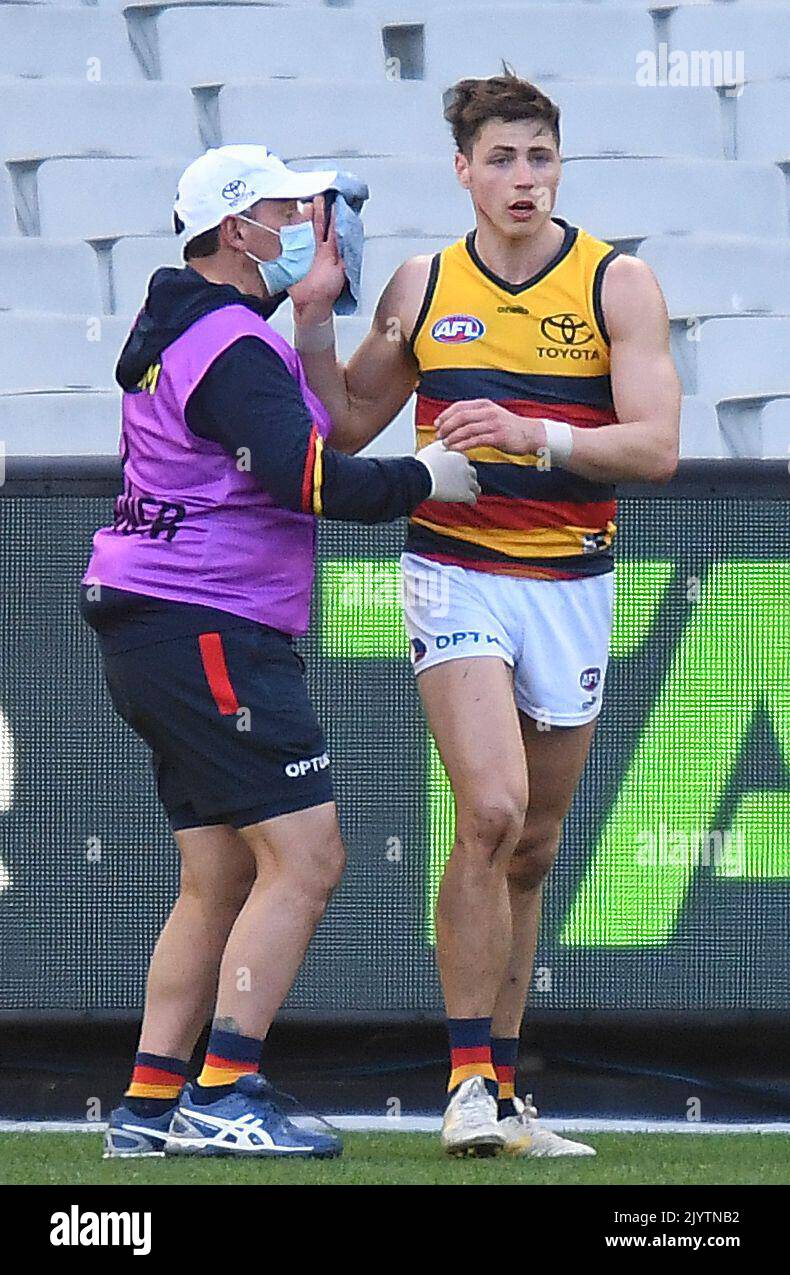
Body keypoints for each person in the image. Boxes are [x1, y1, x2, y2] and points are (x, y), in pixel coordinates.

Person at [288, 74, 681, 1157]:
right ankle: (464, 1084)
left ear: (560, 164)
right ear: (461, 170)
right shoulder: (424, 282)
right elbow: (354, 424)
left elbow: (654, 446)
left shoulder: (617, 283)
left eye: (538, 158)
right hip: (455, 568)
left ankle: (502, 1100)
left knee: (536, 848)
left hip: (574, 581)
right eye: (500, 160)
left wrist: (530, 434)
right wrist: (315, 325)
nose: (521, 179)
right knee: (494, 808)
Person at [80, 144, 478, 1159]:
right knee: (307, 856)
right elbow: (313, 480)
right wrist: (426, 479)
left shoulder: (196, 326)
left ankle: (147, 1108)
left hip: (163, 624)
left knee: (217, 876)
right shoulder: (222, 340)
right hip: (208, 625)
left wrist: (309, 319)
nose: (314, 221)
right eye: (288, 208)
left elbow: (303, 441)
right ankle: (225, 1090)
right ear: (233, 227)